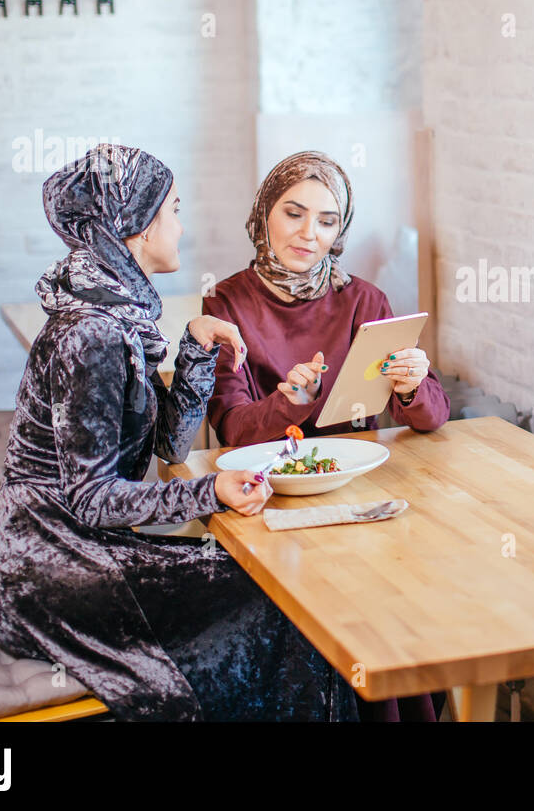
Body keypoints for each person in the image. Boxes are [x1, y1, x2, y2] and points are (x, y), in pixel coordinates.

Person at [0, 144, 359, 721]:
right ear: (137, 227)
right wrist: (211, 490)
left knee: (279, 592)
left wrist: (196, 350)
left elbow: (169, 446)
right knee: (283, 603)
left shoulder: (117, 316)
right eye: (174, 210)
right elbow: (92, 498)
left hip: (82, 550)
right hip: (48, 573)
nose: (183, 227)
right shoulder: (94, 336)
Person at [204, 150, 450, 721]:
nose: (308, 234)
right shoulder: (227, 303)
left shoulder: (365, 300)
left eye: (327, 220)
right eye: (293, 213)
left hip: (358, 499)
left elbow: (433, 416)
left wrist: (412, 386)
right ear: (265, 214)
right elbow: (231, 428)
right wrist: (283, 402)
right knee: (348, 617)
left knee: (407, 610)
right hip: (269, 508)